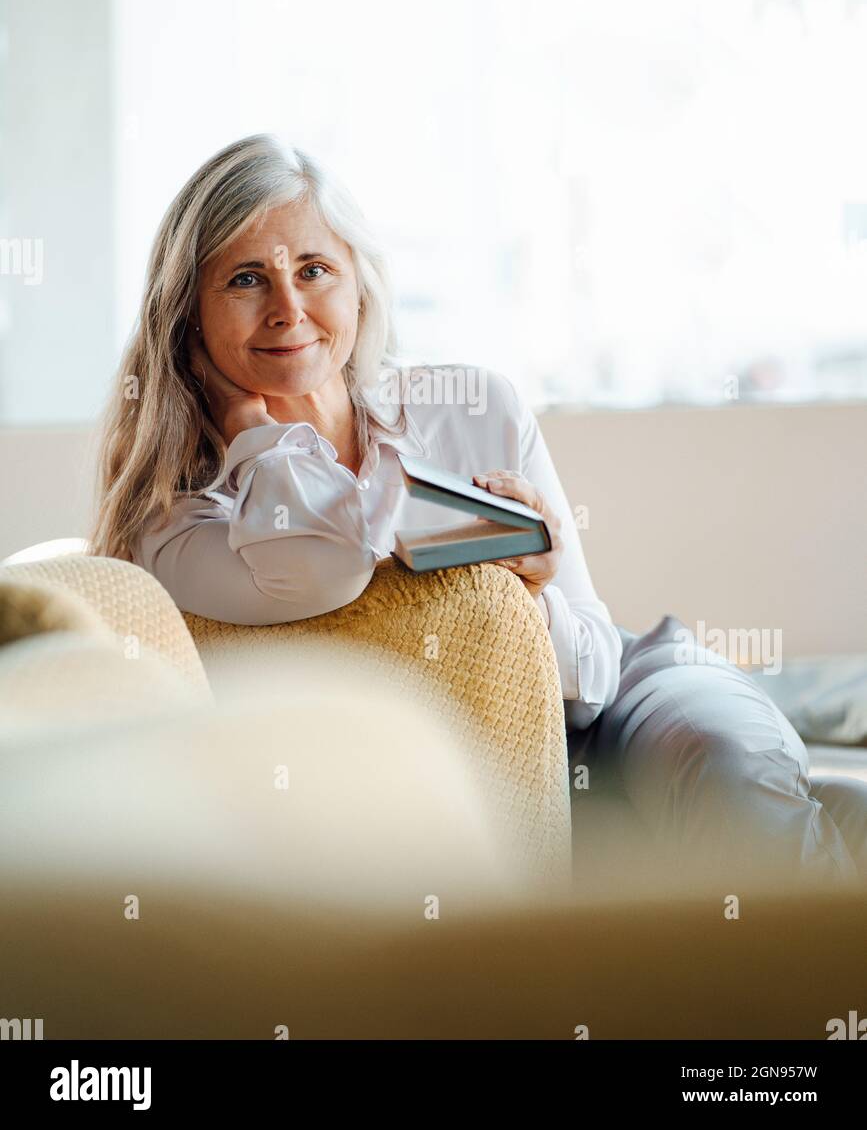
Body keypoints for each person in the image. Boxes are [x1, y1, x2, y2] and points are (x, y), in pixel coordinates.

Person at [90, 133, 866, 891]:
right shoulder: (176, 514)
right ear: (189, 315)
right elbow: (322, 567)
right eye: (246, 280)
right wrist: (259, 440)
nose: (289, 308)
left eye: (315, 269)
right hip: (453, 750)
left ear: (359, 282)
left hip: (614, 688)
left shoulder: (469, 403)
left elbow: (593, 667)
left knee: (726, 754)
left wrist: (537, 582)